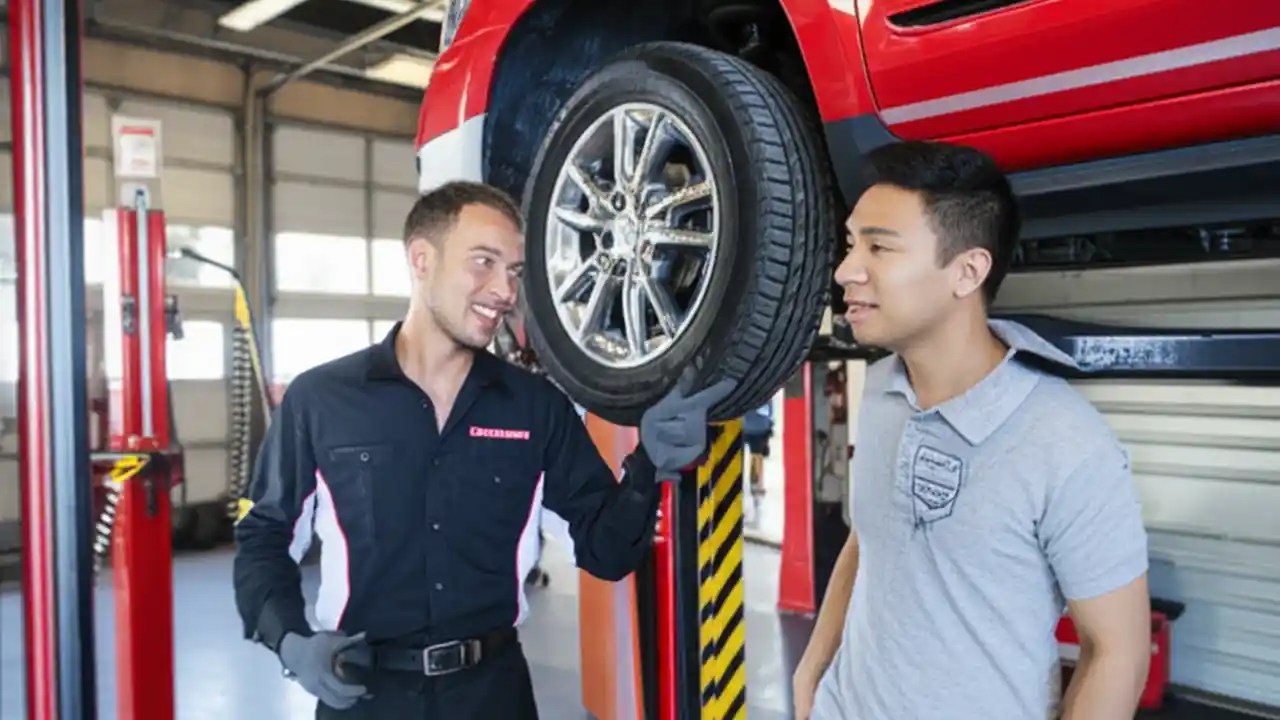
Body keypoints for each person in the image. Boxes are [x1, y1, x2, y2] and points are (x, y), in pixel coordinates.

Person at [233, 180, 733, 719]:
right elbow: (264, 536)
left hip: (493, 697)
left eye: (513, 272)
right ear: (421, 260)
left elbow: (606, 553)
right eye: (483, 262)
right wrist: (291, 643)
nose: (504, 291)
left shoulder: (536, 409)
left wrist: (647, 468)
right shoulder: (321, 400)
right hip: (364, 697)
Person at [793, 141, 1152, 720]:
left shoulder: (1065, 440)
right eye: (850, 244)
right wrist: (812, 669)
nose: (845, 270)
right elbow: (870, 537)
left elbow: (1120, 652)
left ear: (967, 271)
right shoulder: (884, 390)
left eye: (879, 247)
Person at [741, 403, 773, 495]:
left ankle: (751, 479)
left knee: (752, 454)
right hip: (760, 427)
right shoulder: (766, 392)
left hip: (746, 427)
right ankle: (759, 485)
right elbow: (769, 412)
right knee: (758, 456)